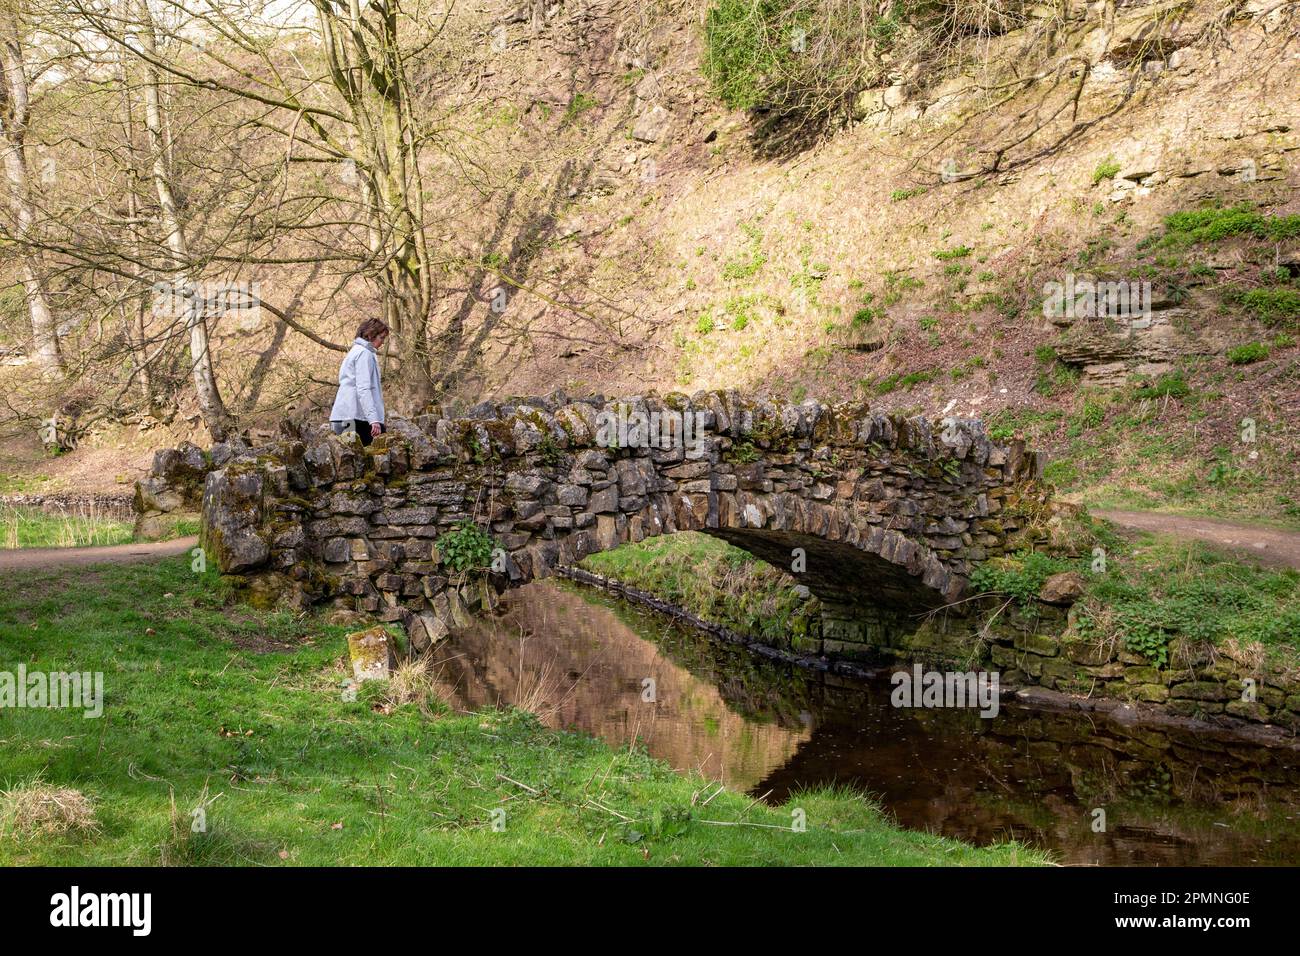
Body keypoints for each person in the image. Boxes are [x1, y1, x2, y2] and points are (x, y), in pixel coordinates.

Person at [330, 319, 388, 446]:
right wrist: (374, 420)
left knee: (348, 458)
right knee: (364, 459)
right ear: (371, 335)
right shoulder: (364, 354)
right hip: (355, 418)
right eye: (381, 337)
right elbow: (363, 389)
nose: (382, 342)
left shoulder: (354, 351)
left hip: (343, 416)